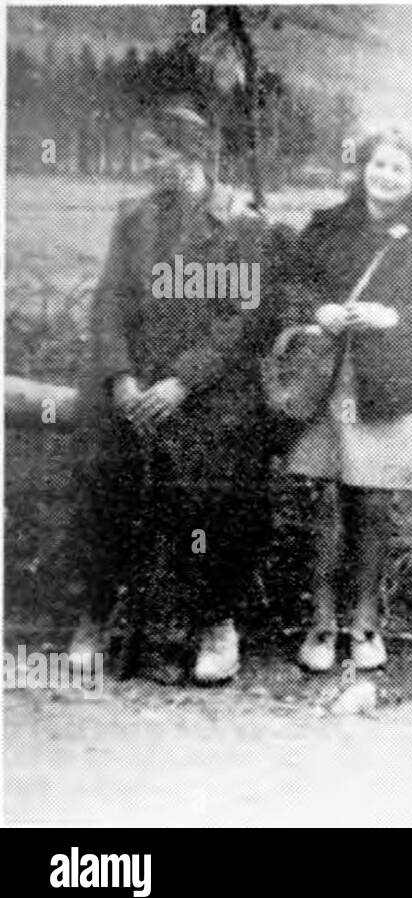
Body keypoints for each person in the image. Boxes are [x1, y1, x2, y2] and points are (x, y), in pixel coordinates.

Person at [69, 97, 284, 684]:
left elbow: (242, 323)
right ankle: (95, 613)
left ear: (190, 157)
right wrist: (121, 376)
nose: (144, 165)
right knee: (100, 475)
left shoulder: (239, 222)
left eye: (154, 154)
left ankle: (214, 620)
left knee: (210, 489)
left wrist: (181, 380)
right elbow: (110, 301)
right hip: (133, 385)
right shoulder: (133, 217)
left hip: (207, 389)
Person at [284, 125, 412, 673]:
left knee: (372, 504)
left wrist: (395, 318)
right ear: (361, 168)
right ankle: (320, 622)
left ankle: (365, 622)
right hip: (326, 381)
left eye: (399, 168)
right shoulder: (326, 226)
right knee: (326, 503)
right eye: (378, 164)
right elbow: (289, 286)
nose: (385, 175)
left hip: (387, 387)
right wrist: (317, 310)